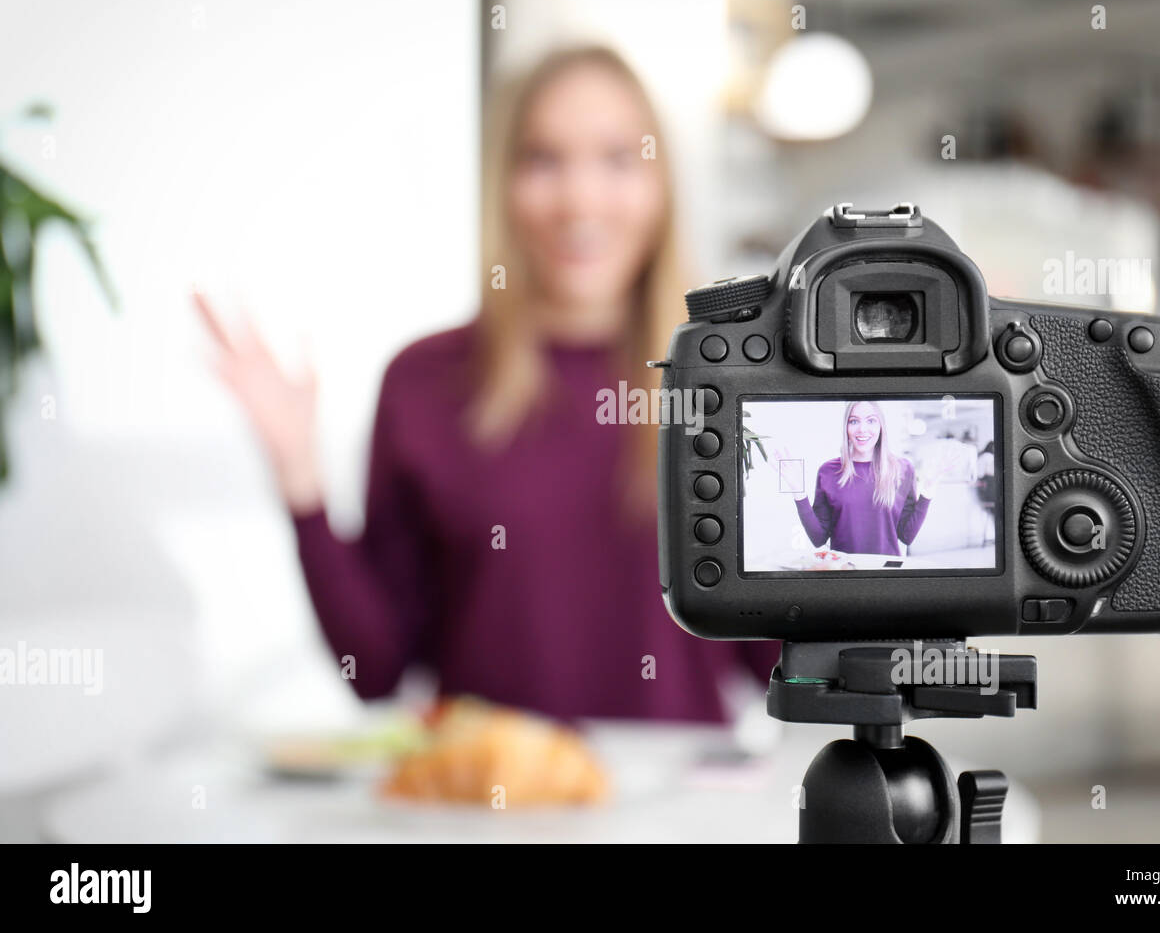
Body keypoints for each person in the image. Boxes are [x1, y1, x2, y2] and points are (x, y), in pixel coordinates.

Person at [196, 45, 777, 723]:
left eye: (619, 159)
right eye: (543, 160)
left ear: (662, 188)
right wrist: (300, 476)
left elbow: (771, 660)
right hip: (484, 811)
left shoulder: (729, 386)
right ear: (502, 183)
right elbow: (376, 671)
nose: (580, 198)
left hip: (678, 817)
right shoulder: (421, 383)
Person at [782, 401, 941, 556]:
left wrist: (929, 490)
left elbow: (906, 536)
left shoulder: (903, 469)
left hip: (886, 575)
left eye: (871, 420)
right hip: (844, 574)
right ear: (846, 427)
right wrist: (798, 492)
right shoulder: (828, 471)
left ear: (881, 426)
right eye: (854, 421)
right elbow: (818, 538)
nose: (862, 429)